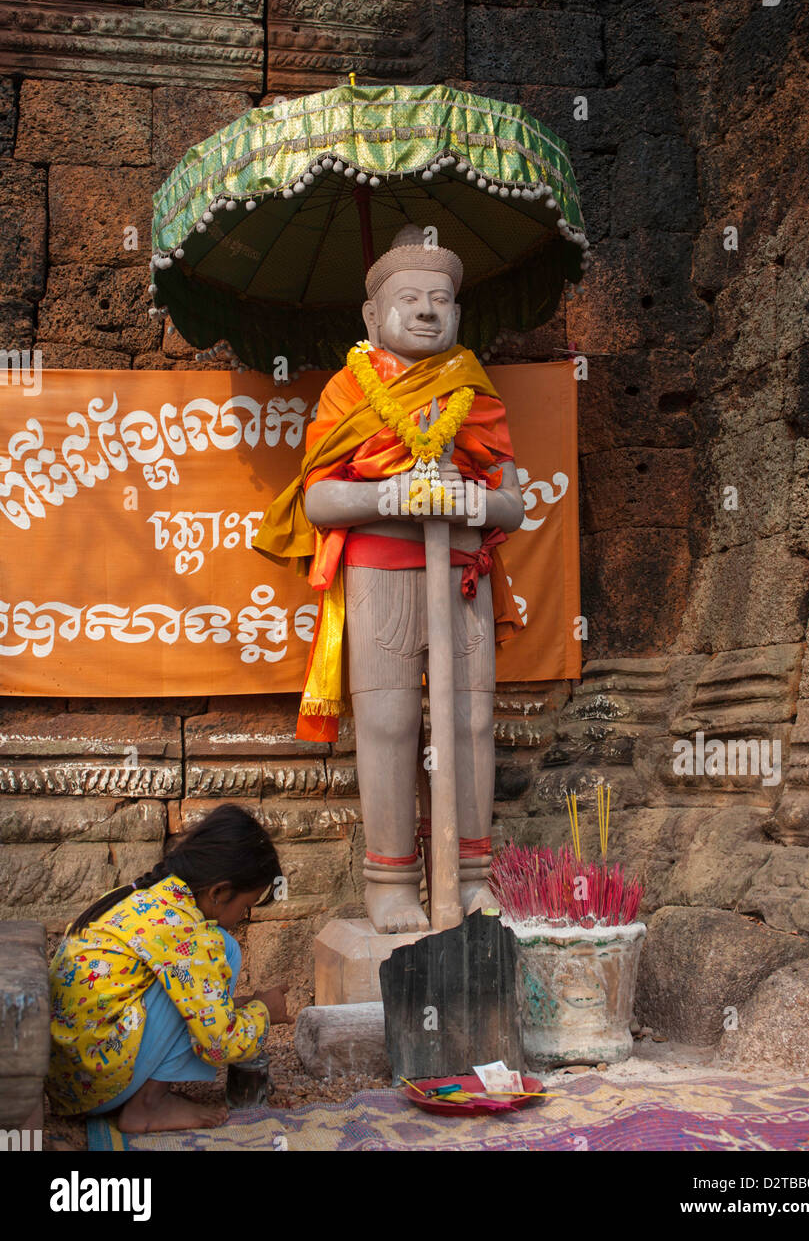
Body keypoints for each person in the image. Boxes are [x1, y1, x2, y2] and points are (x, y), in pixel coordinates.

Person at [254, 225, 525, 932]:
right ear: (373, 316)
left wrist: (471, 499)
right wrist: (391, 495)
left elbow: (512, 501)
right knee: (387, 720)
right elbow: (318, 500)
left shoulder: (472, 388)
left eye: (441, 299)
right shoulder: (349, 391)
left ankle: (468, 876)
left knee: (469, 721)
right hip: (380, 565)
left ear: (458, 315)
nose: (428, 311)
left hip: (460, 568)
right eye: (410, 298)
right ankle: (390, 880)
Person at [46, 804, 288, 1133]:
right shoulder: (186, 930)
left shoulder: (146, 896)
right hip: (96, 1083)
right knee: (225, 948)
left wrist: (233, 1006)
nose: (244, 918)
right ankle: (148, 1105)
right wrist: (264, 1011)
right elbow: (218, 1044)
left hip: (69, 1079)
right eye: (245, 907)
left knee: (200, 978)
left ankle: (146, 1096)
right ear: (219, 892)